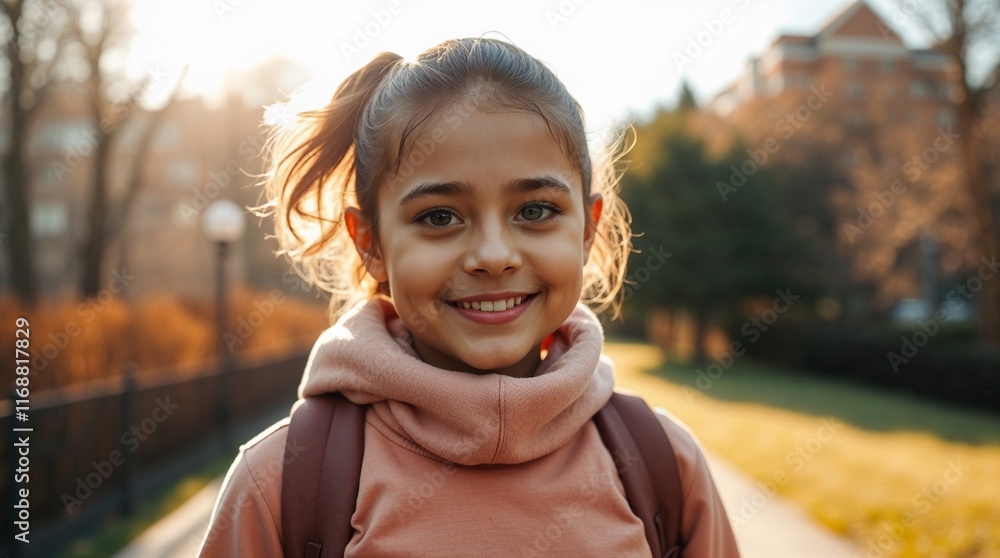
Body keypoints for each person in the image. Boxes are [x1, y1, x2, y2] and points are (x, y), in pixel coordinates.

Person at [198, 37, 739, 557]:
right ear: (372, 243)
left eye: (534, 210)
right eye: (439, 217)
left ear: (586, 230)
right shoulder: (281, 486)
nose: (493, 255)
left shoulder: (665, 465)